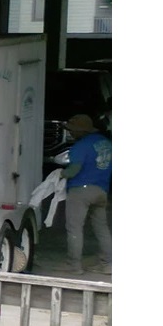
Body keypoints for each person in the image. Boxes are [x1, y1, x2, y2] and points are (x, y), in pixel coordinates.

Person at [61, 113, 110, 267]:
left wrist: (60, 174)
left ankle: (74, 265)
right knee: (102, 229)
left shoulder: (81, 146)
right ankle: (109, 264)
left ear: (82, 131)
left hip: (81, 190)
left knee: (74, 228)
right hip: (102, 191)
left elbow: (73, 170)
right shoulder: (107, 143)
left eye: (72, 130)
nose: (70, 133)